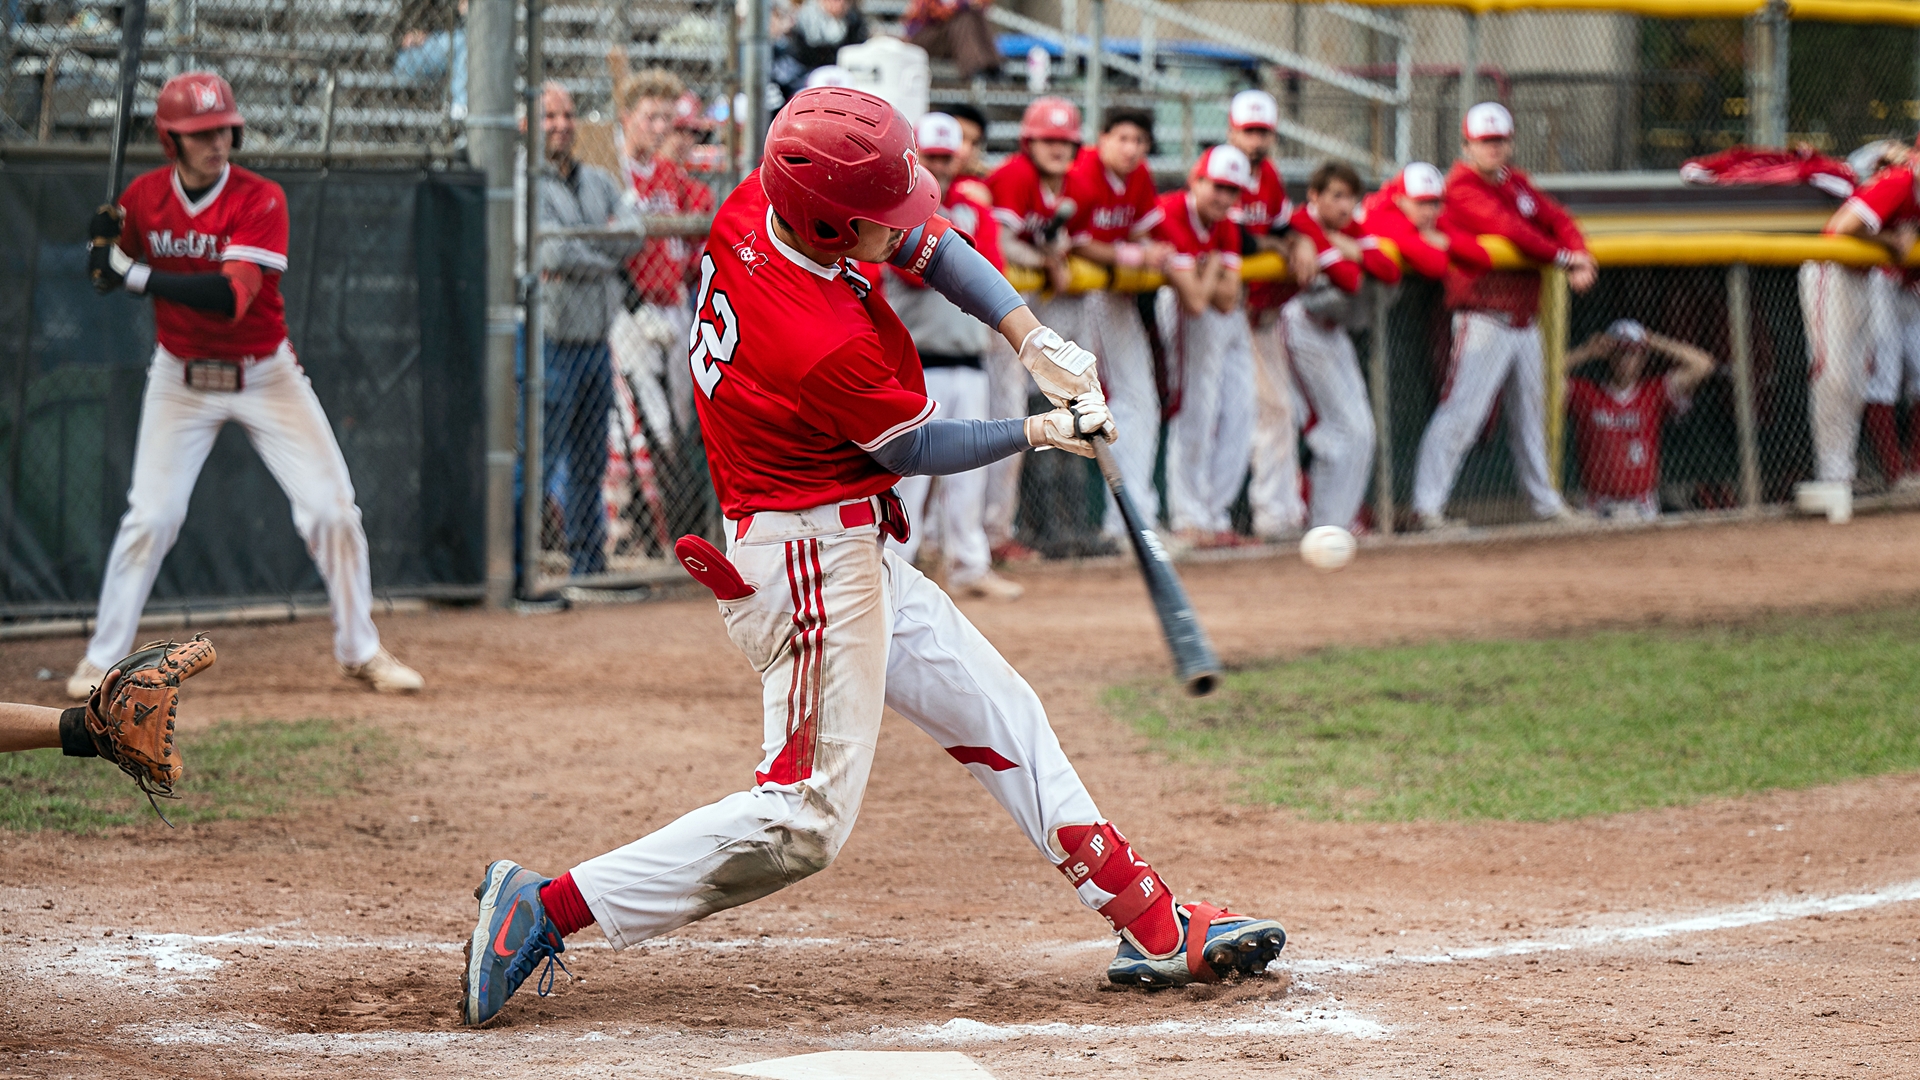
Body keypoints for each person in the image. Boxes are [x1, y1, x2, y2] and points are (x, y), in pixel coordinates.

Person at [459, 86, 1286, 1027]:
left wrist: (1033, 334)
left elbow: (930, 243)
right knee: (804, 820)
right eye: (876, 219)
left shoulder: (760, 204)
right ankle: (548, 905)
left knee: (1000, 710)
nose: (903, 227)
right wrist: (1040, 429)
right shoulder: (813, 338)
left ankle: (1148, 919)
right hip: (808, 561)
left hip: (848, 539)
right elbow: (916, 447)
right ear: (827, 224)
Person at [74, 72, 422, 698]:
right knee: (151, 516)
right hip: (178, 376)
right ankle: (101, 661)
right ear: (170, 140)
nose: (217, 142)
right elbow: (110, 264)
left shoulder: (260, 198)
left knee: (331, 511)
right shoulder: (146, 197)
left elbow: (231, 297)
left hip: (265, 372)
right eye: (199, 133)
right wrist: (102, 250)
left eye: (223, 130)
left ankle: (360, 650)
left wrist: (128, 274)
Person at [1410, 102, 1592, 532]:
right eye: (1484, 141)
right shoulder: (1459, 186)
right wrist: (1567, 259)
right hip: (1483, 316)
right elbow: (1514, 232)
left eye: (1499, 141)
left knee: (1532, 415)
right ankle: (1426, 508)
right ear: (1467, 144)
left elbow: (1556, 217)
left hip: (1524, 318)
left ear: (1510, 143)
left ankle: (1545, 504)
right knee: (1463, 414)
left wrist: (1579, 252)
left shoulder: (1515, 182)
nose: (1492, 148)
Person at [885, 113, 1025, 600]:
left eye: (949, 157)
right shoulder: (895, 207)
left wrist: (960, 245)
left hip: (970, 358)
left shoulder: (974, 207)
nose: (942, 166)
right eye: (934, 156)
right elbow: (916, 272)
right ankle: (894, 570)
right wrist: (956, 252)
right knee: (910, 476)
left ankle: (969, 565)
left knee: (971, 474)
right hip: (918, 359)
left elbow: (989, 270)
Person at [525, 82, 637, 578]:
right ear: (528, 124)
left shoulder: (598, 179)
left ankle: (588, 562)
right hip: (548, 342)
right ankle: (518, 566)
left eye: (567, 115)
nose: (561, 125)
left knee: (591, 460)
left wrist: (588, 255)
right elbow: (551, 253)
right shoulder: (523, 183)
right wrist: (605, 257)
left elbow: (634, 232)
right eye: (549, 116)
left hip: (596, 341)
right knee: (540, 458)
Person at [1064, 107, 1172, 538]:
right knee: (1100, 406)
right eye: (1122, 138)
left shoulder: (1139, 176)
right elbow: (1074, 240)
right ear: (1102, 137)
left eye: (1139, 141)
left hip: (1116, 296)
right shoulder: (1082, 172)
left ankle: (1134, 519)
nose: (1131, 149)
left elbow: (1148, 233)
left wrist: (1148, 253)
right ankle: (1126, 521)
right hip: (1079, 298)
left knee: (1140, 402)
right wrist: (1131, 255)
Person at [983, 97, 1081, 561]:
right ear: (1029, 141)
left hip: (1014, 312)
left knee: (1006, 416)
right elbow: (999, 245)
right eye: (1048, 139)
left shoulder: (1057, 186)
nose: (1058, 148)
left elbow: (1050, 241)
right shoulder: (1015, 175)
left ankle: (995, 530)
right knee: (992, 419)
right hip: (984, 314)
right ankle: (979, 533)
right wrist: (1046, 260)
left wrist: (1051, 252)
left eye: (1065, 141)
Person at [1284, 161, 1401, 532]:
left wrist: (1346, 245)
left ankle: (1340, 522)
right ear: (1314, 196)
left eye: (1351, 197)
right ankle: (1323, 524)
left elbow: (1389, 269)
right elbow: (1350, 280)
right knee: (1336, 431)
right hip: (1299, 324)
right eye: (1336, 196)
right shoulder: (1302, 222)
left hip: (1333, 330)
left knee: (1363, 431)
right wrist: (1348, 250)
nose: (1344, 205)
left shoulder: (1345, 228)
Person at [1154, 145, 1255, 546]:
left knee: (1241, 412)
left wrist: (1206, 273)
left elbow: (1227, 299)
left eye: (1232, 191)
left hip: (1215, 316)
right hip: (1176, 310)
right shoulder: (1171, 213)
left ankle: (1215, 514)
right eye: (1217, 187)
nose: (1224, 198)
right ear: (1196, 180)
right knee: (1196, 409)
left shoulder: (1226, 223)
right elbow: (1195, 301)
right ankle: (1188, 516)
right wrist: (1213, 268)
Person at [1818, 143, 1920, 507]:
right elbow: (1840, 229)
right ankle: (1844, 477)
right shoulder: (1897, 181)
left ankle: (1855, 473)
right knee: (1842, 376)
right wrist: (1893, 239)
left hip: (1882, 281)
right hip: (1842, 274)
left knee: (1863, 378)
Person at [1224, 90, 1305, 542]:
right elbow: (1237, 236)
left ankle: (1279, 513)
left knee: (1276, 409)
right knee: (1262, 410)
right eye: (1248, 131)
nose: (1255, 141)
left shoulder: (1269, 175)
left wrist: (1298, 241)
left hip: (1252, 309)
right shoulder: (1222, 170)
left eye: (1262, 132)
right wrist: (1276, 244)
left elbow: (1279, 227)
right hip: (1214, 302)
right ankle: (1266, 514)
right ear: (1231, 131)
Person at [1563, 320, 1714, 520]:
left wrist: (1654, 341)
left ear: (1642, 357)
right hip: (1597, 506)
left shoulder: (1653, 393)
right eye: (1620, 352)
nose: (1626, 359)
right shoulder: (1586, 393)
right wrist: (1587, 351)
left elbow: (1703, 365)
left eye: (1633, 352)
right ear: (1608, 356)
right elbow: (1538, 374)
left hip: (1643, 506)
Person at [1355, 161, 1491, 285]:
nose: (1428, 211)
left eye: (1433, 203)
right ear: (1399, 200)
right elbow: (1436, 265)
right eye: (1420, 203)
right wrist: (1440, 243)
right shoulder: (1384, 216)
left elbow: (1482, 256)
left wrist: (1446, 242)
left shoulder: (1428, 220)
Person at [394, 0, 468, 115]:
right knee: (463, 43)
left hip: (454, 41)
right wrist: (413, 33)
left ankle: (459, 106)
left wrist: (467, 12)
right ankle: (459, 105)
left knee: (464, 43)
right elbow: (394, 32)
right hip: (415, 52)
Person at [904, 0, 1000, 82]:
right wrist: (963, 4)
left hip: (948, 35)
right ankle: (975, 70)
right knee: (964, 20)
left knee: (973, 16)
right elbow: (936, 13)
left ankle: (991, 66)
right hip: (922, 36)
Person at [786, 0, 868, 84]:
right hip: (806, 73)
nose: (839, 4)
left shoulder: (853, 21)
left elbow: (857, 50)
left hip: (842, 75)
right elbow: (800, 54)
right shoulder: (805, 19)